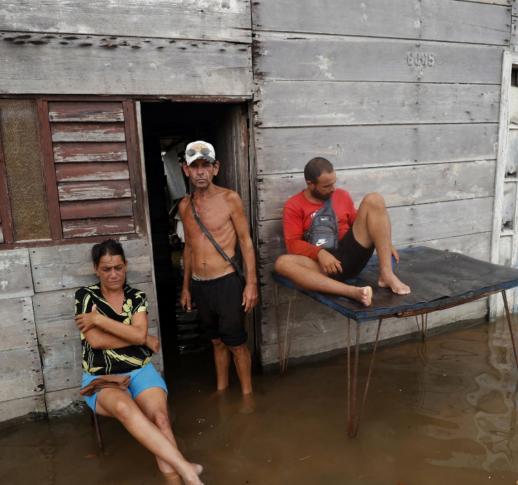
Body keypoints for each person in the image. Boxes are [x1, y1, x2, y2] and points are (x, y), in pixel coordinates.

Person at [75, 239, 203, 484]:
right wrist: (140, 338)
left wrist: (101, 321)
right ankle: (186, 469)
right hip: (102, 376)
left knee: (161, 419)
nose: (114, 274)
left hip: (140, 369)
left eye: (118, 267)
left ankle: (178, 479)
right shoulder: (85, 296)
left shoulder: (136, 297)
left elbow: (137, 335)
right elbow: (96, 343)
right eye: (106, 269)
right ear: (95, 269)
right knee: (125, 408)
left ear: (126, 265)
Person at [178, 140, 258, 394]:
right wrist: (186, 287)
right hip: (201, 286)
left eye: (206, 165)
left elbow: (245, 241)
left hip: (227, 283)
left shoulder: (229, 199)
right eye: (195, 166)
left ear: (216, 168)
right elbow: (189, 247)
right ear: (185, 170)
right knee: (216, 342)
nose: (200, 171)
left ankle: (248, 397)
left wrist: (252, 285)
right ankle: (221, 392)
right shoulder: (184, 206)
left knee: (235, 343)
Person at [274, 157, 410, 307]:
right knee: (282, 263)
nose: (333, 189)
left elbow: (359, 222)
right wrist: (319, 253)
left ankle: (387, 275)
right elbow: (292, 243)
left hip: (351, 255)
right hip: (322, 267)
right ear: (310, 184)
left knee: (375, 199)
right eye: (326, 186)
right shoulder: (293, 205)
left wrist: (384, 242)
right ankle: (352, 292)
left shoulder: (342, 195)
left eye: (334, 183)